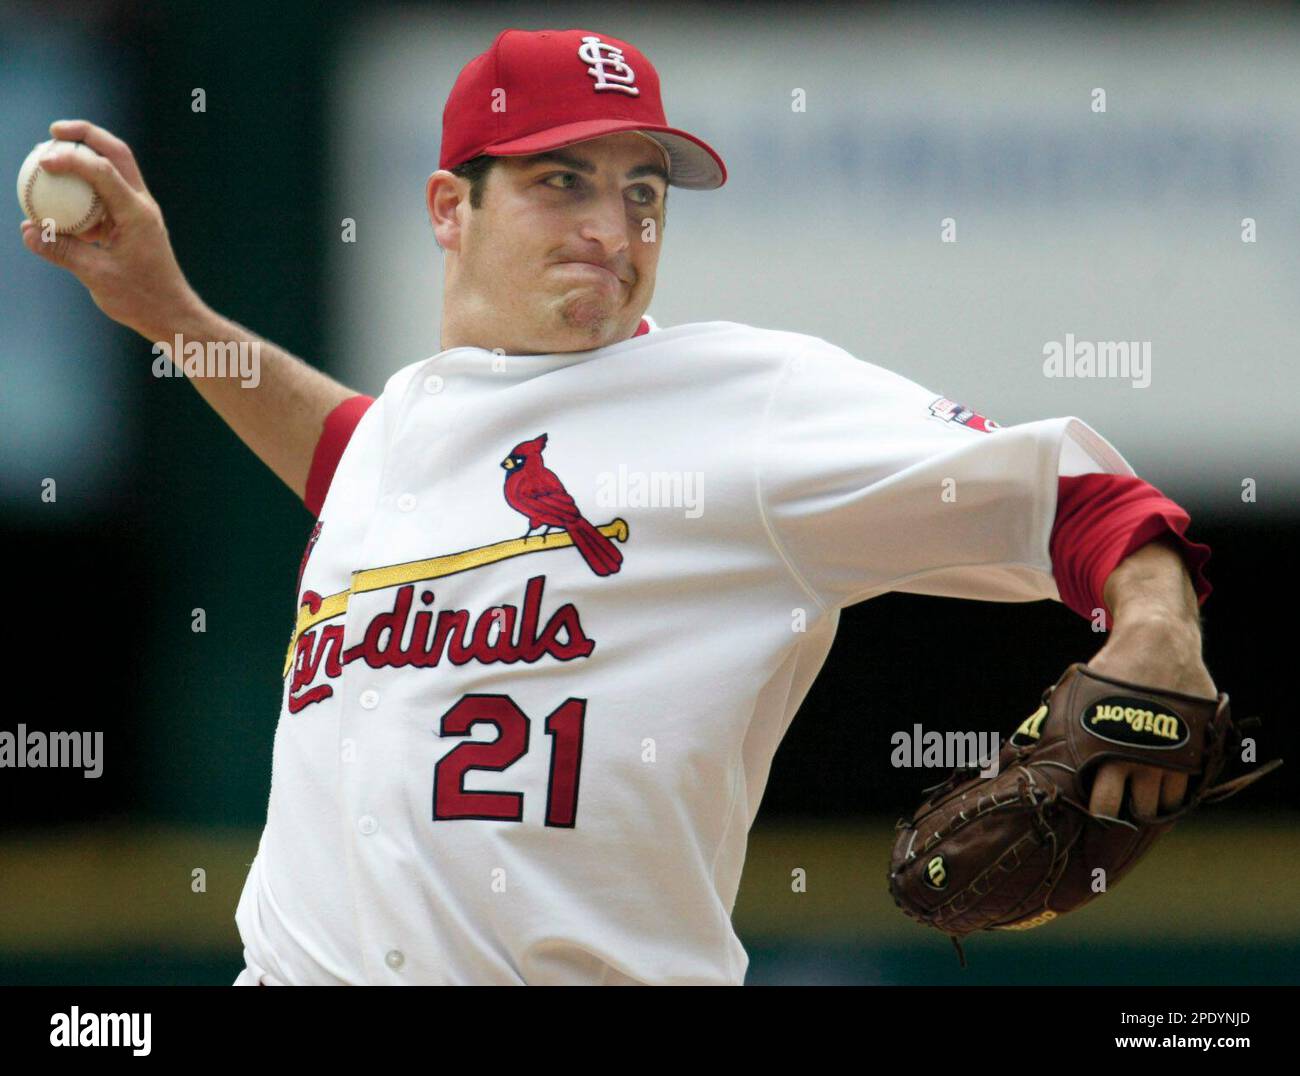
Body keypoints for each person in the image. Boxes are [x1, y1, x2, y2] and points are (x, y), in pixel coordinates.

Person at [21, 27, 1217, 986]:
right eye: (560, 181)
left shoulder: (749, 402)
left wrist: (1155, 623)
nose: (613, 226)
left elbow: (1083, 496)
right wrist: (164, 309)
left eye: (642, 191)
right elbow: (354, 455)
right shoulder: (404, 432)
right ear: (450, 207)